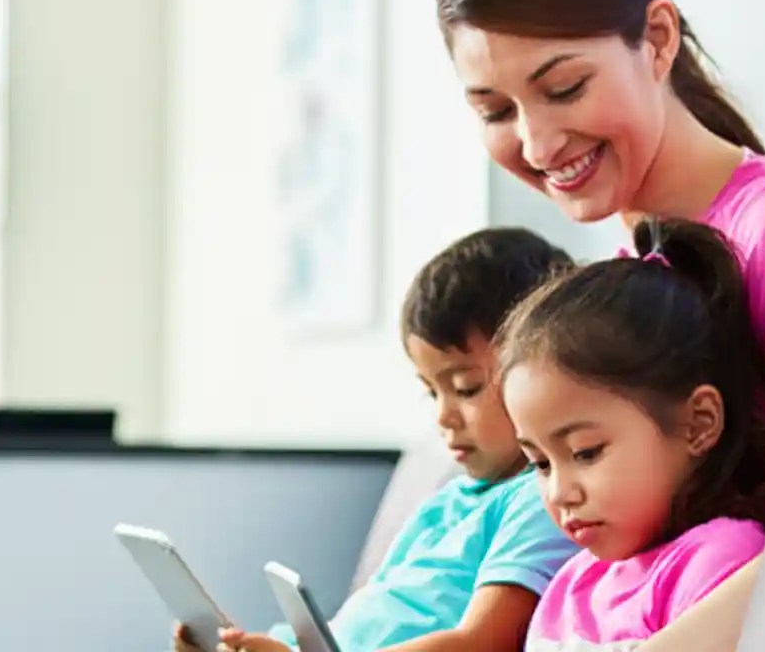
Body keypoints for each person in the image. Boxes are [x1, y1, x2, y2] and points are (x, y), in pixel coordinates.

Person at [436, 0, 765, 647]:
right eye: (496, 112)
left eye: (564, 87)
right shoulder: (632, 269)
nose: (537, 145)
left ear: (657, 39)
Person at [176, 228, 580, 652]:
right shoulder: (445, 504)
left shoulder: (540, 502)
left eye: (465, 387)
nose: (443, 416)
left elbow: (482, 642)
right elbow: (364, 619)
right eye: (430, 391)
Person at [496, 218, 765, 649]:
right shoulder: (572, 585)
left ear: (699, 423)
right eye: (540, 463)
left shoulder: (722, 560)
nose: (560, 493)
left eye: (585, 452)